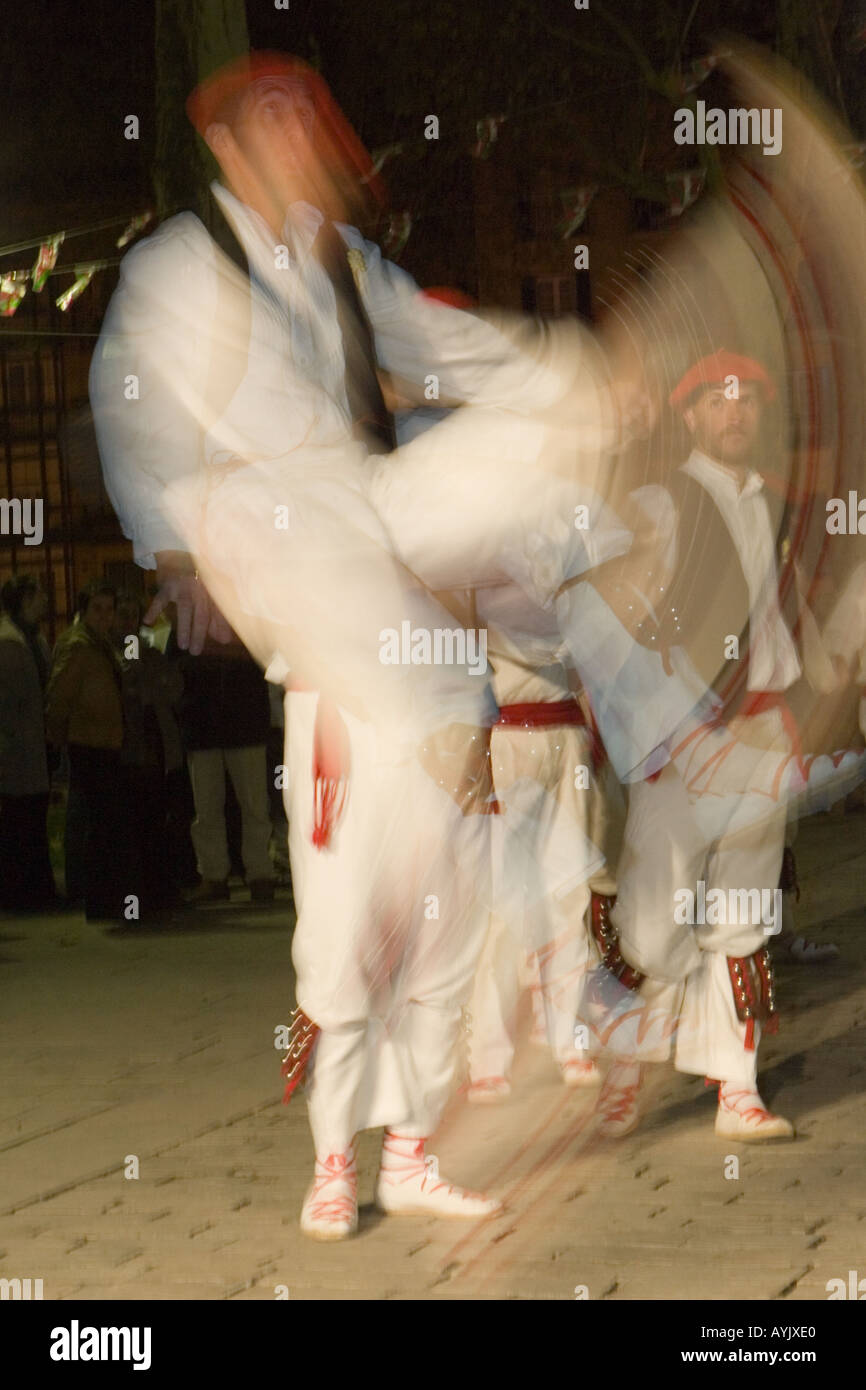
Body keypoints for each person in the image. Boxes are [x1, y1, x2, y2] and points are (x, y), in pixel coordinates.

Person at [89, 53, 577, 1240]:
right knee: (344, 921)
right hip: (316, 619)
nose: (294, 144)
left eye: (304, 124)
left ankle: (408, 1149)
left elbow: (445, 352)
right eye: (268, 125)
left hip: (412, 619)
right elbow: (129, 398)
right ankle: (332, 1159)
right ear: (226, 147)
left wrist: (563, 379)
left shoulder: (347, 266)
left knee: (444, 909)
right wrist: (172, 551)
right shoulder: (180, 269)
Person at [589, 351, 814, 1142]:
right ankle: (627, 1055)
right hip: (685, 738)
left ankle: (737, 1086)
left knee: (744, 914)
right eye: (718, 402)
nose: (734, 414)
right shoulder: (662, 501)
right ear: (690, 417)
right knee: (654, 924)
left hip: (761, 732)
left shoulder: (778, 508)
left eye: (747, 400)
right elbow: (608, 607)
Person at [169, 628, 276, 903]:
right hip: (211, 723)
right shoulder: (194, 615)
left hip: (237, 721)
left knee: (250, 804)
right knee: (210, 806)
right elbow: (174, 666)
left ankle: (254, 872)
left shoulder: (236, 611)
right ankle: (222, 874)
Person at [46, 581, 125, 922]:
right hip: (88, 743)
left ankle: (104, 897)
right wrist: (57, 739)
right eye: (98, 609)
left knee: (104, 823)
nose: (105, 616)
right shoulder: (79, 646)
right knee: (97, 823)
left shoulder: (98, 644)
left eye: (109, 609)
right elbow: (59, 697)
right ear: (84, 610)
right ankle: (98, 899)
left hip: (103, 741)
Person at [0, 576, 56, 910]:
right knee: (21, 820)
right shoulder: (11, 642)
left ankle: (33, 889)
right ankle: (23, 891)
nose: (46, 599)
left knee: (31, 818)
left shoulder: (31, 637)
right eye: (40, 593)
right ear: (25, 599)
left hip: (31, 745)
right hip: (19, 747)